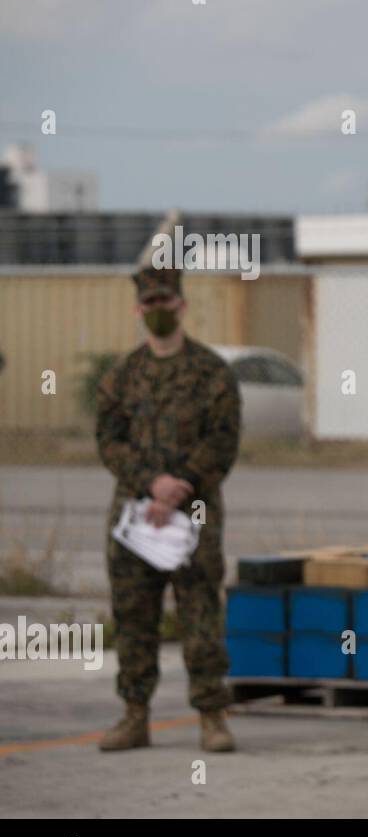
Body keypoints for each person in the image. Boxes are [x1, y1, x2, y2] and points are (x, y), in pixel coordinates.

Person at [96, 252, 241, 753]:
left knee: (200, 615)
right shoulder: (121, 377)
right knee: (134, 618)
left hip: (194, 514)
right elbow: (109, 443)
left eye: (165, 300)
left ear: (181, 304)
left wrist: (178, 486)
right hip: (135, 517)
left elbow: (223, 442)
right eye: (149, 301)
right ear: (139, 310)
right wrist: (151, 484)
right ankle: (134, 716)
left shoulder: (212, 373)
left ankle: (212, 717)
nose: (158, 308)